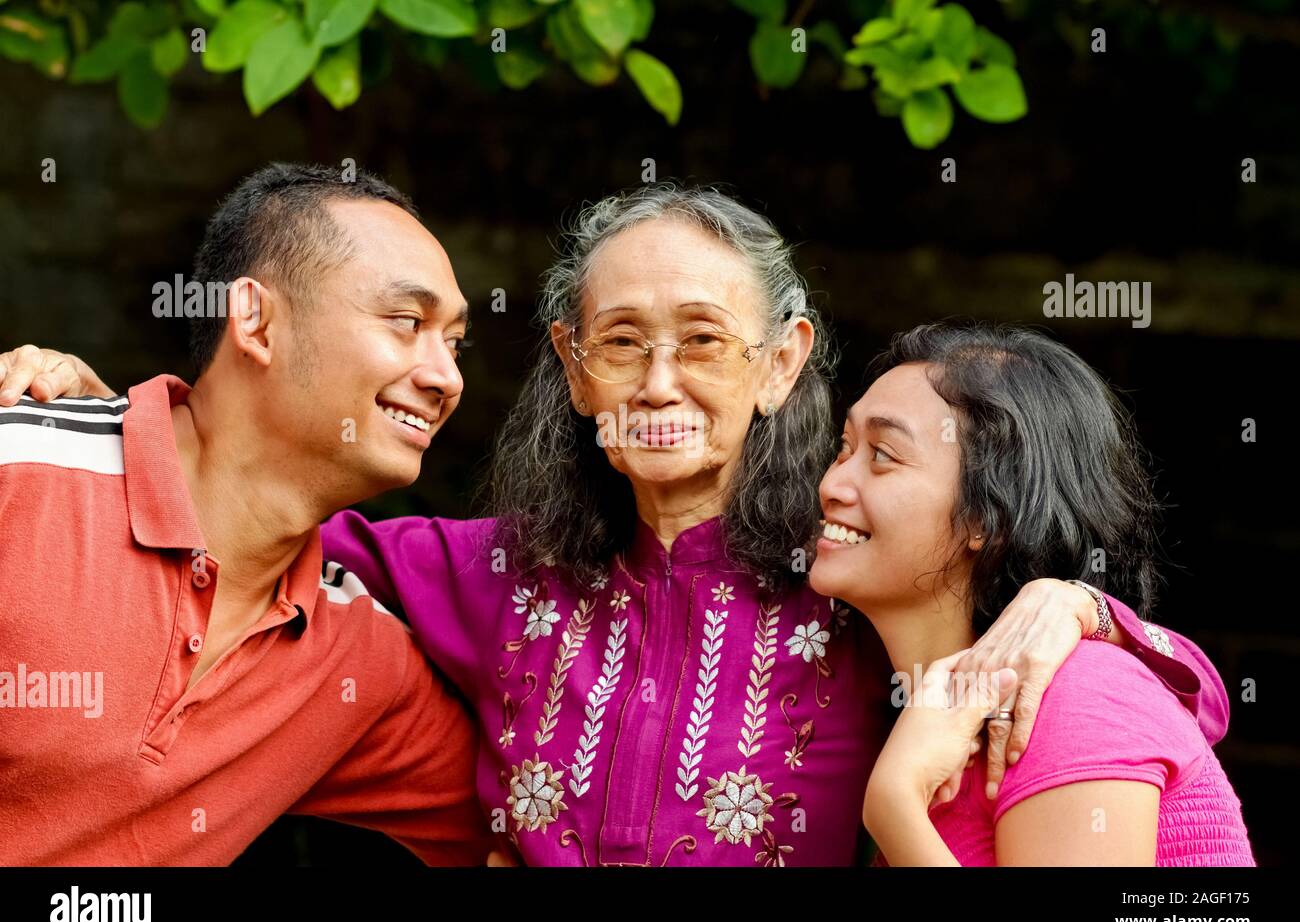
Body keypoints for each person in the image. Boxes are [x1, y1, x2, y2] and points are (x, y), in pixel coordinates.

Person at [2, 184, 1229, 867]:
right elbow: (246, 510)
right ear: (571, 367)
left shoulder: (853, 569)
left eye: (702, 342)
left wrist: (1071, 603)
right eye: (619, 345)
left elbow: (1155, 715)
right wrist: (93, 409)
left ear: (782, 360)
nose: (655, 386)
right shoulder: (487, 573)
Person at [0, 163, 491, 865]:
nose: (447, 377)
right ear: (256, 321)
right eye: (407, 323)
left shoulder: (357, 661)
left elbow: (542, 823)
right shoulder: (18, 484)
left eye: (454, 341)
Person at [811, 323, 1254, 865]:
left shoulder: (1074, 693)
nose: (831, 486)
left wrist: (895, 808)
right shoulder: (928, 723)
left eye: (882, 454)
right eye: (845, 448)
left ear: (986, 516)